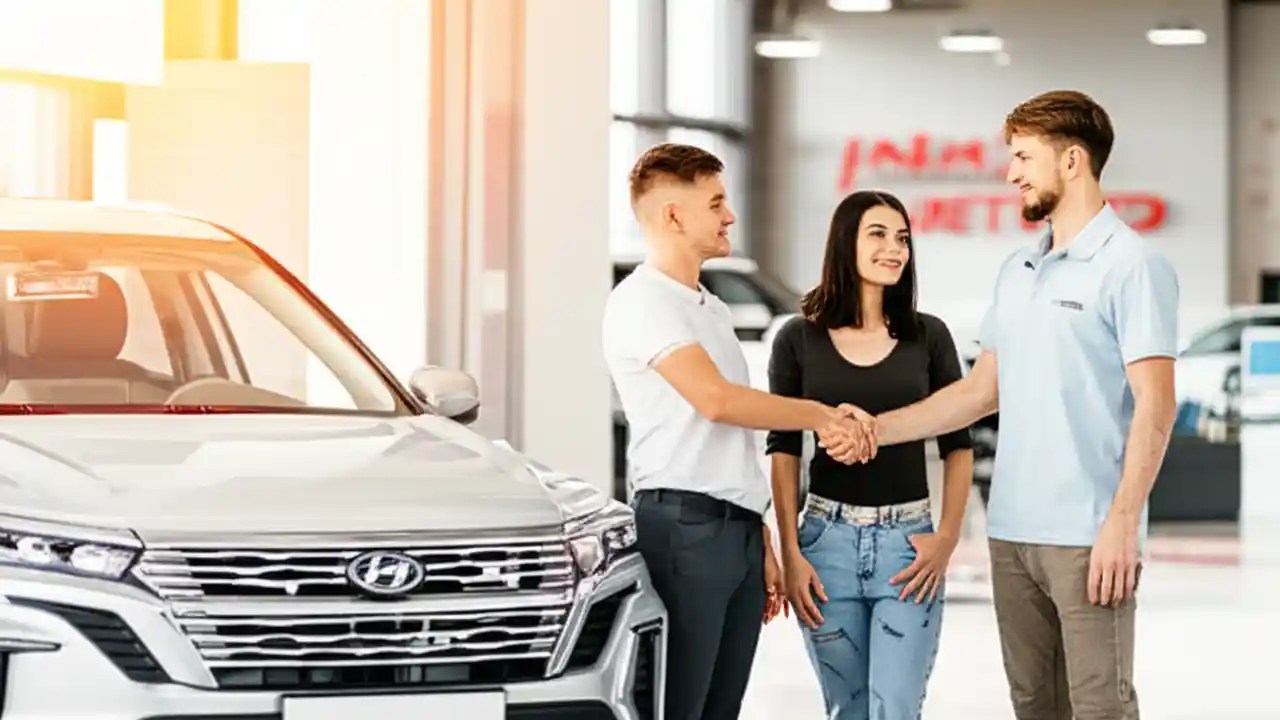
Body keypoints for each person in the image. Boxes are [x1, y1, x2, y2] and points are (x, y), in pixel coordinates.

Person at [827, 90, 1179, 719]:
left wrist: (1123, 523)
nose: (1011, 172)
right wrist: (875, 428)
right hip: (1012, 533)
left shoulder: (1132, 265)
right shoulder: (1017, 269)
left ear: (1072, 161)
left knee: (1100, 707)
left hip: (1087, 536)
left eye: (1023, 157)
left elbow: (1157, 404)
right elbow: (979, 392)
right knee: (1033, 706)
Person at [601, 142, 873, 720]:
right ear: (673, 214)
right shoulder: (642, 301)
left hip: (735, 530)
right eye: (716, 202)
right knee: (683, 705)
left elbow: (737, 433)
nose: (730, 216)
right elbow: (718, 402)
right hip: (683, 527)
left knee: (723, 706)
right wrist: (822, 415)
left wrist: (763, 535)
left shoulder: (712, 309)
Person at [766, 189, 974, 720]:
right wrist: (791, 552)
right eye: (877, 234)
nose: (894, 249)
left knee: (896, 709)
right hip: (823, 546)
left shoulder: (930, 337)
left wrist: (947, 536)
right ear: (845, 243)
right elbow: (783, 450)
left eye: (902, 238)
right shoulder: (797, 339)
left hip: (908, 547)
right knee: (846, 710)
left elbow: (958, 445)